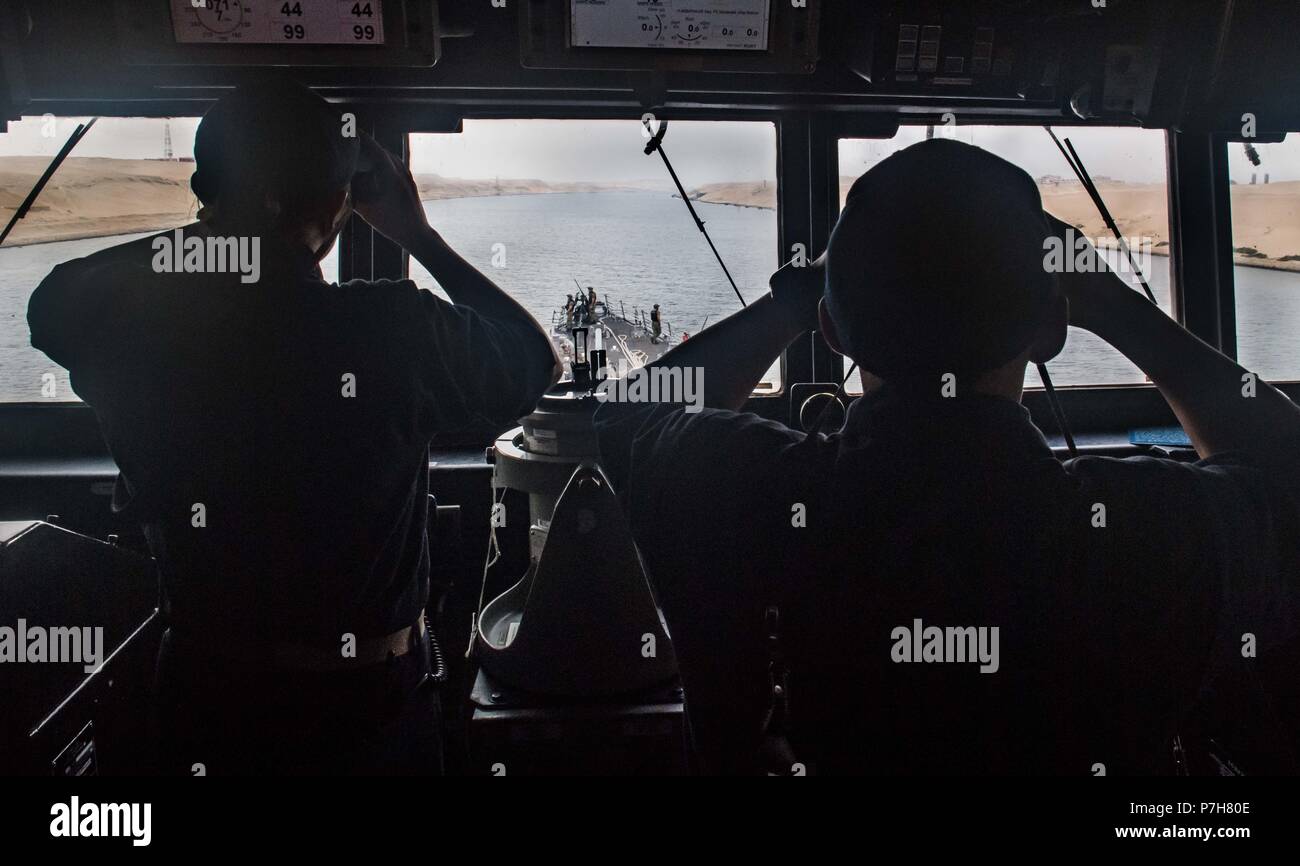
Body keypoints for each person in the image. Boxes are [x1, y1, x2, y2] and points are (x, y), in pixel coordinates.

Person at [594, 139, 1300, 775]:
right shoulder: (1154, 532)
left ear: (832, 332)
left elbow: (626, 418)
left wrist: (792, 302)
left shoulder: (740, 494)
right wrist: (1109, 301)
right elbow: (1285, 469)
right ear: (1053, 330)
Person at [28, 80, 560, 775]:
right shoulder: (389, 331)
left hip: (205, 700)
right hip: (365, 714)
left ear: (205, 185)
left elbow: (53, 300)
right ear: (333, 201)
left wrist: (223, 224)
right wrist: (416, 236)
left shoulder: (131, 326)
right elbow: (533, 359)